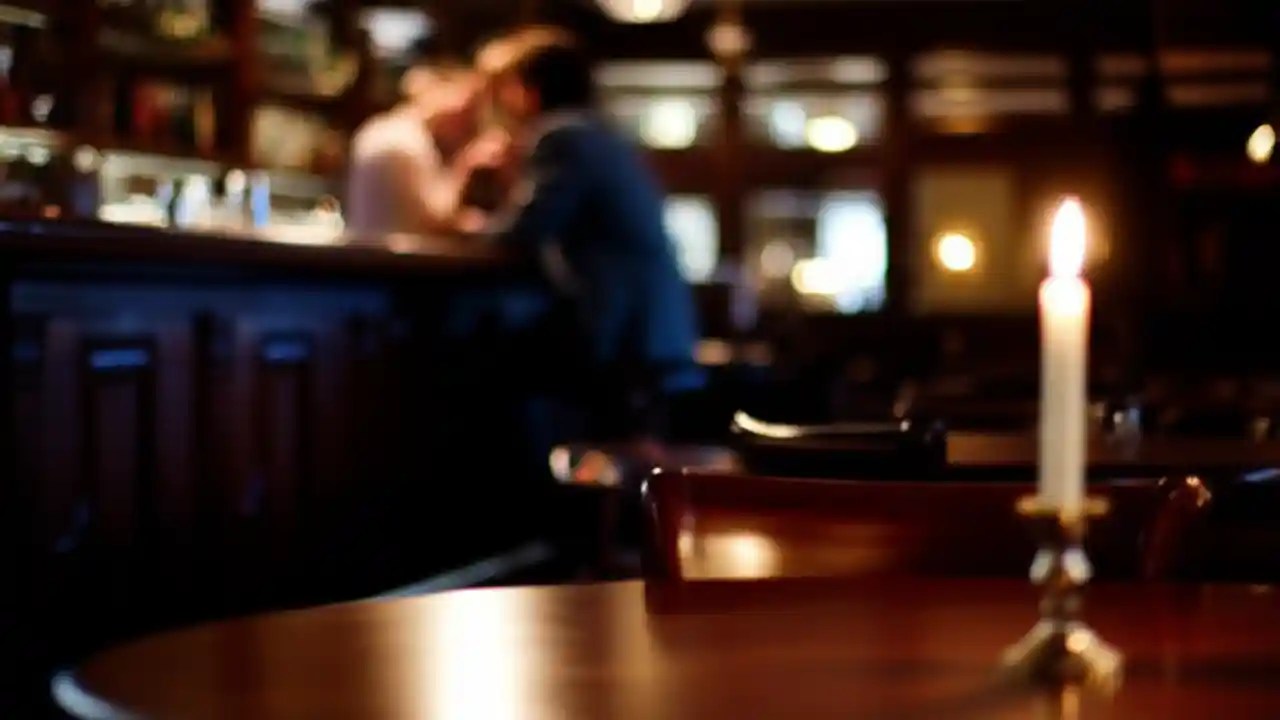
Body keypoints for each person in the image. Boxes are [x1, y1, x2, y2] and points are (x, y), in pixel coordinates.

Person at [480, 30, 704, 442]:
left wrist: (466, 223)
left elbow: (524, 230)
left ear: (529, 90)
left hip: (621, 329)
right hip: (649, 324)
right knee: (632, 452)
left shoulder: (563, 136)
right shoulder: (597, 134)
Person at [345, 63, 497, 236]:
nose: (465, 122)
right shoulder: (403, 141)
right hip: (393, 259)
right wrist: (467, 164)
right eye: (464, 109)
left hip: (376, 253)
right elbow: (436, 217)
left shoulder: (388, 130)